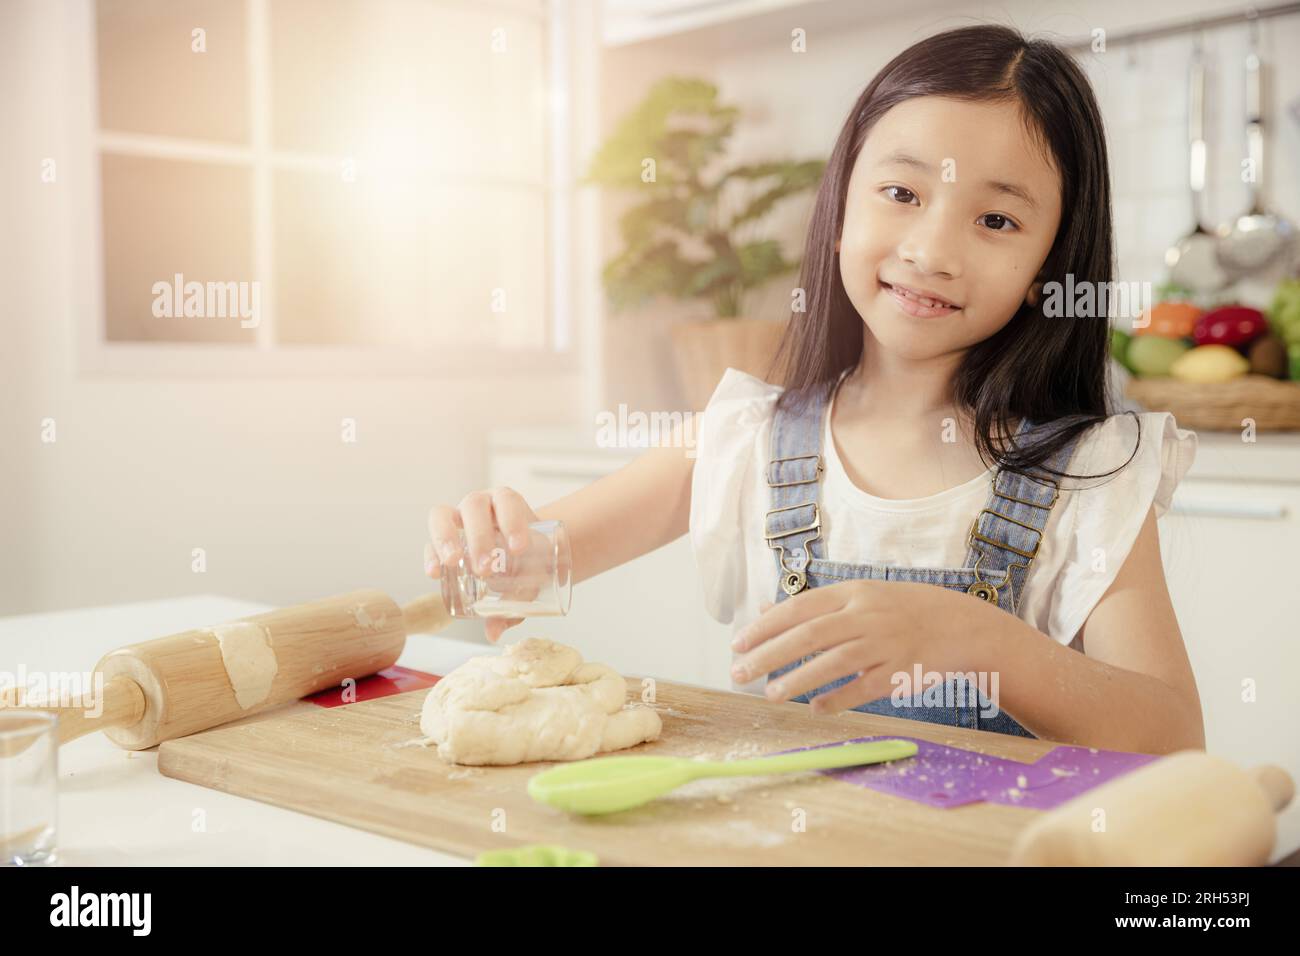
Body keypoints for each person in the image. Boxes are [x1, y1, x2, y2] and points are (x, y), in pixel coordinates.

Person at [425, 24, 1203, 755]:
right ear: (838, 211)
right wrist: (496, 541)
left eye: (996, 220)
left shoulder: (1091, 472)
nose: (932, 250)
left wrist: (980, 640)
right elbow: (532, 561)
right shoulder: (743, 437)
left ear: (1050, 269)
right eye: (902, 194)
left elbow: (1173, 738)